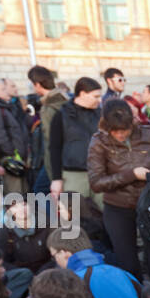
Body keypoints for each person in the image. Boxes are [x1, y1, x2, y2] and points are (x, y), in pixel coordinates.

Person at [88, 100, 150, 281]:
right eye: (115, 131)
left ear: (132, 124)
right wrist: (132, 175)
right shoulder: (99, 141)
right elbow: (96, 183)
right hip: (118, 207)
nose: (120, 134)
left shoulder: (148, 133)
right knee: (127, 264)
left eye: (124, 130)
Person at [48, 77, 104, 212]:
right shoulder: (61, 115)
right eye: (96, 96)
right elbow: (54, 148)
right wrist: (56, 179)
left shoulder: (101, 114)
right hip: (73, 175)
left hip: (100, 173)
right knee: (76, 216)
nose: (99, 100)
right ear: (83, 94)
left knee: (106, 214)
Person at [0, 79, 28, 198]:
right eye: (2, 89)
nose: (7, 92)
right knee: (15, 194)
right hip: (10, 158)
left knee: (23, 192)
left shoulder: (6, 107)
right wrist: (12, 152)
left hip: (17, 156)